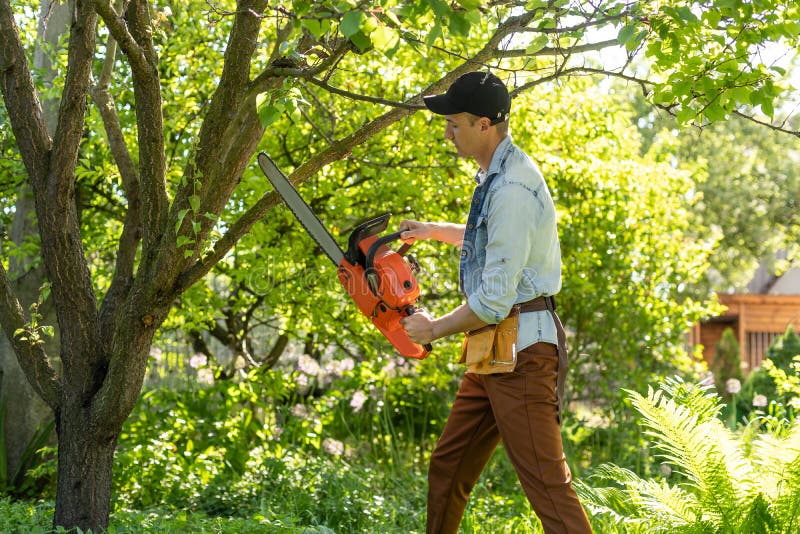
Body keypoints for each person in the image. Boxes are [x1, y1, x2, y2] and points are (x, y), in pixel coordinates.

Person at [399, 71, 592, 534]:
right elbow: (494, 241)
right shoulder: (495, 175)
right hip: (494, 350)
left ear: (484, 124)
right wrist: (432, 230)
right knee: (449, 466)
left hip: (522, 352)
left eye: (454, 124)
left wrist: (430, 330)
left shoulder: (511, 188)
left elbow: (492, 300)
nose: (447, 133)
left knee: (547, 485)